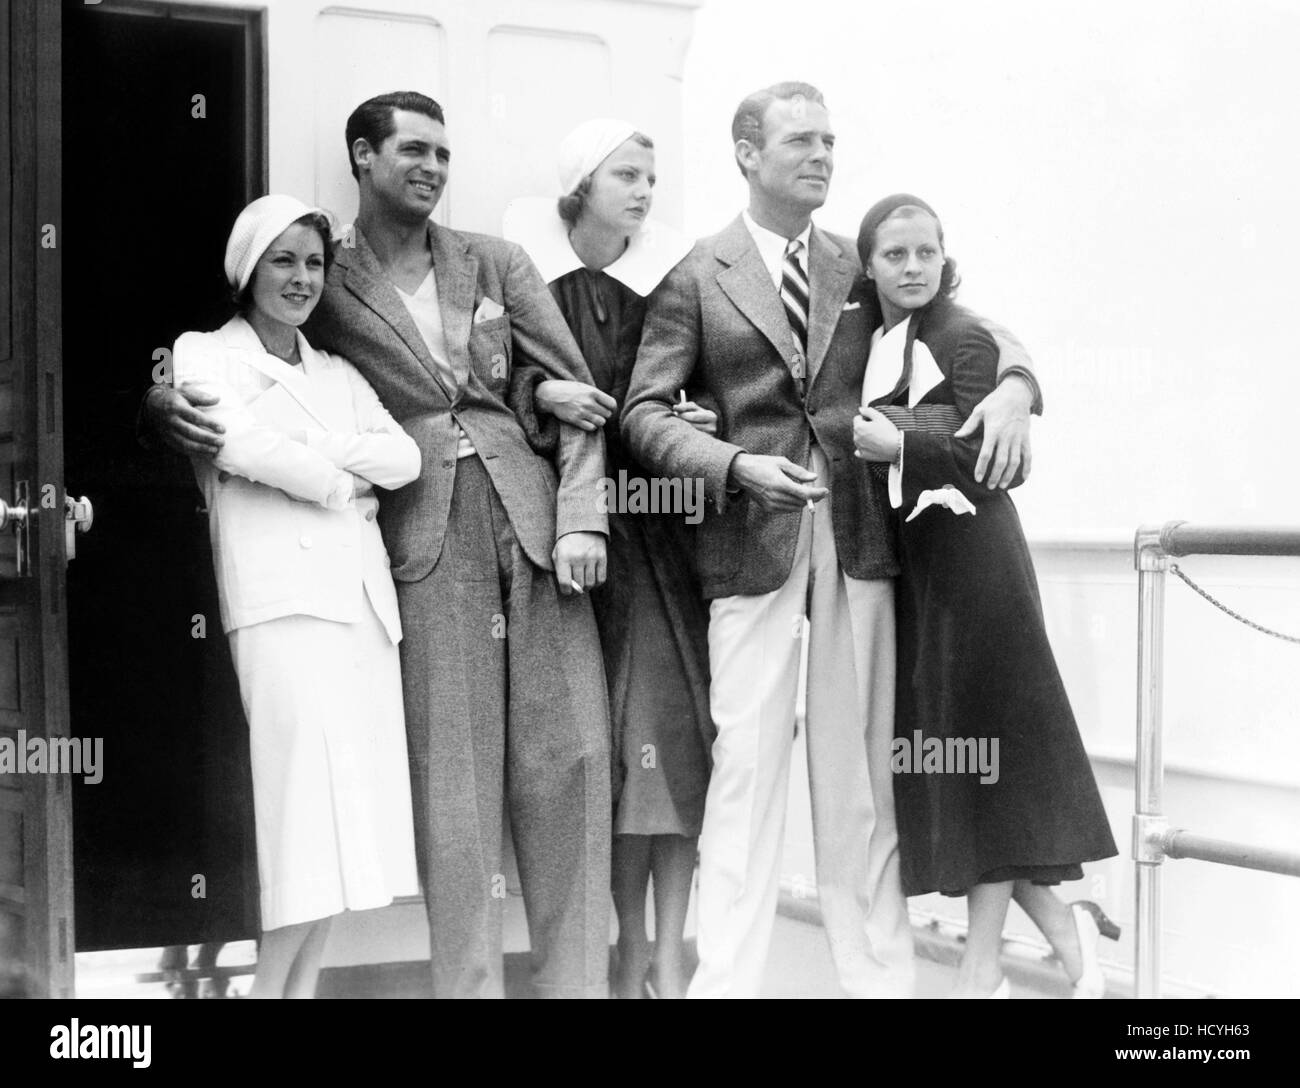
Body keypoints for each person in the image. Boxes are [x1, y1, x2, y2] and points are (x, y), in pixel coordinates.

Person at [147, 93, 613, 999]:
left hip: (537, 524)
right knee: (456, 791)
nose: (433, 168)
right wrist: (153, 405)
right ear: (362, 157)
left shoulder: (497, 260)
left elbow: (574, 390)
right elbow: (244, 365)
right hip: (419, 541)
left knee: (575, 762)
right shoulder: (321, 275)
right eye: (412, 151)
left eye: (445, 152)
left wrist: (583, 513)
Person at [621, 81, 1042, 999]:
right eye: (801, 141)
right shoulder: (698, 273)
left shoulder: (864, 262)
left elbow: (972, 326)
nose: (822, 156)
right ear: (746, 152)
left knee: (861, 778)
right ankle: (725, 985)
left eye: (830, 141)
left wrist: (1017, 385)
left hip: (859, 542)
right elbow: (643, 416)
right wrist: (733, 465)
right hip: (750, 542)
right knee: (745, 771)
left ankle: (880, 981)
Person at [851, 192, 1119, 998]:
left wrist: (901, 438)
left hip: (980, 573)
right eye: (895, 254)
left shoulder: (965, 334)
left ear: (944, 256)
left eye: (925, 252)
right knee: (967, 763)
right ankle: (1071, 949)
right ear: (869, 264)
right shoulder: (885, 337)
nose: (911, 267)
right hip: (928, 580)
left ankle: (981, 968)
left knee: (984, 761)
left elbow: (991, 459)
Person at [170, 194, 423, 999]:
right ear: (247, 270)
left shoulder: (338, 371)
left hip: (359, 610)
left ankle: (296, 994)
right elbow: (239, 444)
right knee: (300, 827)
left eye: (313, 262)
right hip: (282, 609)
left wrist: (310, 451)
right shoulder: (204, 354)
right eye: (283, 260)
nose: (301, 278)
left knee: (351, 832)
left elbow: (407, 457)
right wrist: (337, 480)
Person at [503, 119, 712, 999]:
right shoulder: (523, 277)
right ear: (581, 184)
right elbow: (486, 380)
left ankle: (669, 948)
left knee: (673, 739)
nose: (643, 191)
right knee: (611, 752)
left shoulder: (673, 275)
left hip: (665, 530)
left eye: (651, 177)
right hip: (572, 534)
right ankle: (624, 947)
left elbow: (706, 374)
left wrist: (697, 415)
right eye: (626, 174)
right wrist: (539, 391)